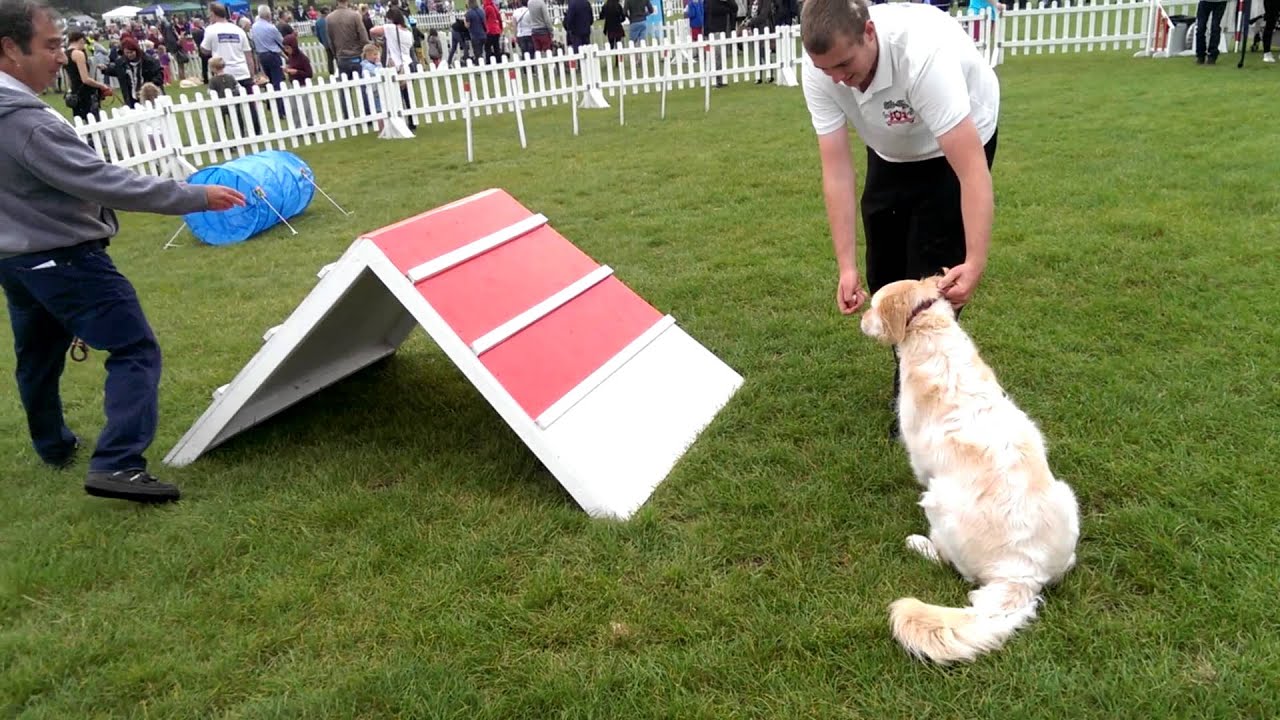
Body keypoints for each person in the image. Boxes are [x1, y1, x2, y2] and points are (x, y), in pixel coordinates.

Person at [0, 0, 246, 503]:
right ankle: (119, 464)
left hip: (16, 260)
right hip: (65, 257)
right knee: (134, 348)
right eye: (49, 46)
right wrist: (193, 197)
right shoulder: (25, 122)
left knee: (38, 359)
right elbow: (102, 181)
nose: (61, 58)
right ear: (9, 49)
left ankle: (53, 445)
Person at [800, 0, 998, 435]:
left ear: (869, 33)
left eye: (844, 65)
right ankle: (911, 371)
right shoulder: (821, 68)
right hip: (891, 149)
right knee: (886, 272)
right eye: (826, 69)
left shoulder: (923, 56)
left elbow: (970, 170)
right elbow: (835, 169)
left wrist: (975, 259)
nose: (837, 78)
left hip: (958, 140)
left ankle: (922, 393)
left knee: (929, 271)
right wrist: (846, 266)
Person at [65, 30, 111, 121]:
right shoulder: (78, 54)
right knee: (94, 120)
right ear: (81, 40)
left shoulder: (66, 54)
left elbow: (69, 77)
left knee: (82, 120)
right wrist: (102, 85)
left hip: (75, 92)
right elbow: (85, 79)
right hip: (86, 92)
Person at [1194, 0, 1228, 64]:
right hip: (1205, 1)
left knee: (1215, 27)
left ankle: (1212, 55)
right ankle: (1200, 54)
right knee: (1200, 28)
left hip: (1220, 2)